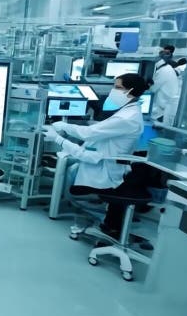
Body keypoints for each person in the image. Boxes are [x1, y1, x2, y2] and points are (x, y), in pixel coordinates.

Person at [44, 73, 148, 239]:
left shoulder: (127, 118)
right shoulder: (129, 112)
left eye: (118, 87)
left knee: (71, 190)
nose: (113, 91)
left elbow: (88, 136)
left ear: (131, 91)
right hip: (109, 163)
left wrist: (59, 134)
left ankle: (104, 219)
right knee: (72, 166)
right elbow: (101, 131)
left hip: (105, 171)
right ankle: (111, 217)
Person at [150, 45, 180, 125]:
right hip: (165, 105)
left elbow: (153, 89)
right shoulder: (167, 68)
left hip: (164, 108)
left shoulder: (164, 70)